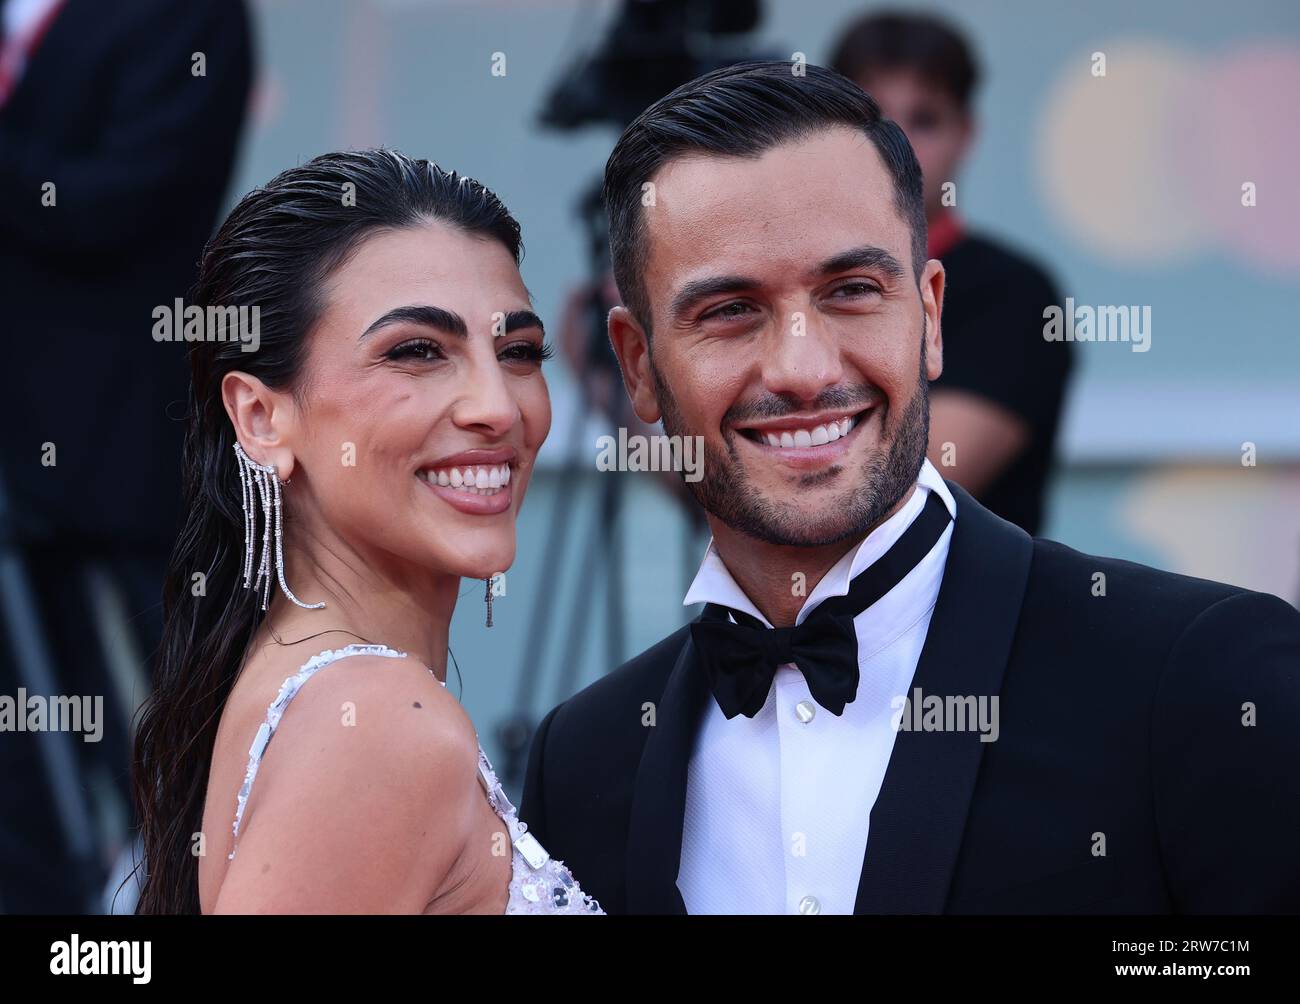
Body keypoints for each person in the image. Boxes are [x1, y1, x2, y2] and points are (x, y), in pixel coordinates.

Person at [518, 61, 1300, 914]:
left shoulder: (1201, 676)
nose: (804, 371)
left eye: (852, 292)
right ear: (638, 365)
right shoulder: (583, 762)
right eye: (730, 310)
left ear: (929, 318)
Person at [131, 149, 602, 915]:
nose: (498, 407)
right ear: (261, 416)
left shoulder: (306, 686)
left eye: (518, 352)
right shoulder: (376, 726)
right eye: (417, 351)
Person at [0, 0, 252, 912]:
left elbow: (120, 199)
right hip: (18, 432)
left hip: (122, 425)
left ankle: (203, 890)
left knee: (190, 689)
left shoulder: (189, 15)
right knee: (27, 738)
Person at [831, 10, 1071, 535]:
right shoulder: (791, 284)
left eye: (924, 120)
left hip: (974, 616)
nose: (896, 148)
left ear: (966, 134)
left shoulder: (1016, 293)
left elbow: (905, 489)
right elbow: (726, 492)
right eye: (874, 122)